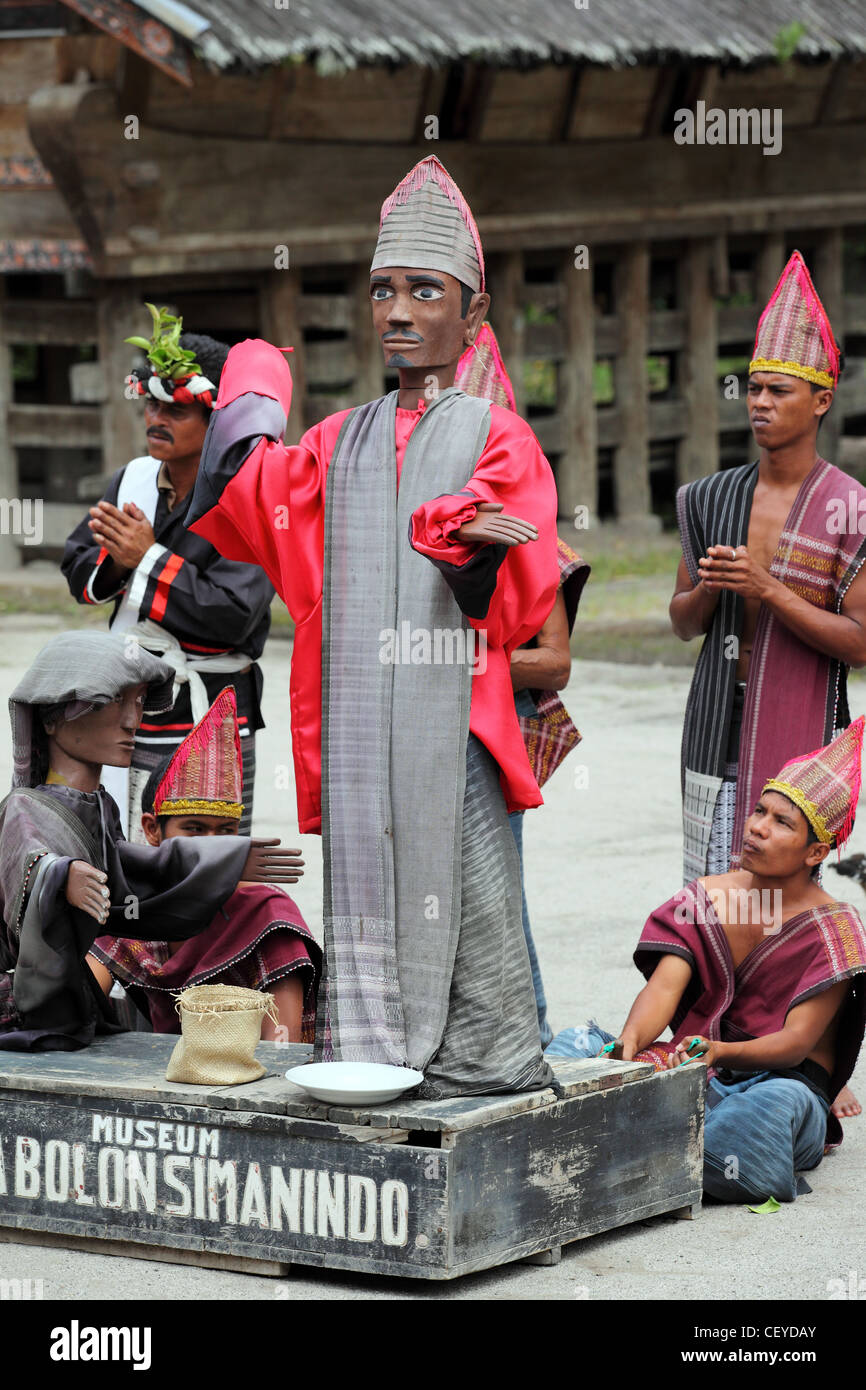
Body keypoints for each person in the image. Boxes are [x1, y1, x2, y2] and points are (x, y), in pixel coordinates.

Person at [186, 155, 561, 1097]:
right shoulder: (334, 440)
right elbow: (250, 487)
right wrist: (254, 372)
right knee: (362, 890)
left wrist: (467, 548)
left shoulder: (494, 433)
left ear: (471, 316)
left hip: (454, 725)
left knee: (471, 902)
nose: (397, 310)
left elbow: (514, 593)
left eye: (424, 291)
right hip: (361, 733)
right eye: (383, 290)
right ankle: (370, 1065)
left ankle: (487, 1080)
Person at [670, 249, 866, 1121]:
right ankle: (704, 1043)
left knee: (791, 891)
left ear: (821, 401)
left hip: (802, 736)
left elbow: (860, 643)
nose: (759, 403)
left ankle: (814, 1053)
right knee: (719, 885)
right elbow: (682, 619)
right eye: (751, 388)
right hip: (716, 726)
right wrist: (715, 588)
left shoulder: (850, 510)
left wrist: (773, 590)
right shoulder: (711, 497)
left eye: (779, 390)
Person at [546, 719, 866, 1203]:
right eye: (760, 810)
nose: (757, 826)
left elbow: (796, 1044)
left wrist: (720, 1053)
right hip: (694, 1067)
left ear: (816, 851)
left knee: (762, 1116)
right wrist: (628, 1048)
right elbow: (664, 988)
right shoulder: (709, 894)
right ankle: (653, 1141)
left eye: (782, 823)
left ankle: (613, 1140)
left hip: (775, 1085)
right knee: (573, 1047)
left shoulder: (837, 929)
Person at [0, 631, 302, 1049]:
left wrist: (221, 860)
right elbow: (30, 862)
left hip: (71, 1013)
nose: (132, 720)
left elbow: (130, 875)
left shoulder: (100, 806)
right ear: (53, 718)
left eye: (139, 702)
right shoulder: (24, 806)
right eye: (115, 701)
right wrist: (60, 874)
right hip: (26, 1010)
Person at [61, 307, 274, 840]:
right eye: (153, 403)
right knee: (123, 852)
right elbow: (79, 568)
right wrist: (119, 559)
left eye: (177, 409)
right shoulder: (132, 479)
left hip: (210, 707)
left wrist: (147, 558)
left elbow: (231, 616)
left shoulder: (249, 495)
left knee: (201, 870)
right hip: (127, 703)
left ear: (217, 419)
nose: (158, 417)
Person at [456, 323, 590, 1046]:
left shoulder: (541, 545)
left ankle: (524, 1032)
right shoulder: (424, 529)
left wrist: (459, 663)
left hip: (494, 730)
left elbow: (555, 662)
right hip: (426, 726)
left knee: (498, 885)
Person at [87, 686, 320, 1041]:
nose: (211, 849)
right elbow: (79, 1001)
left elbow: (282, 1050)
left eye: (225, 832)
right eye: (194, 830)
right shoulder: (136, 905)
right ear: (152, 830)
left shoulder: (267, 915)